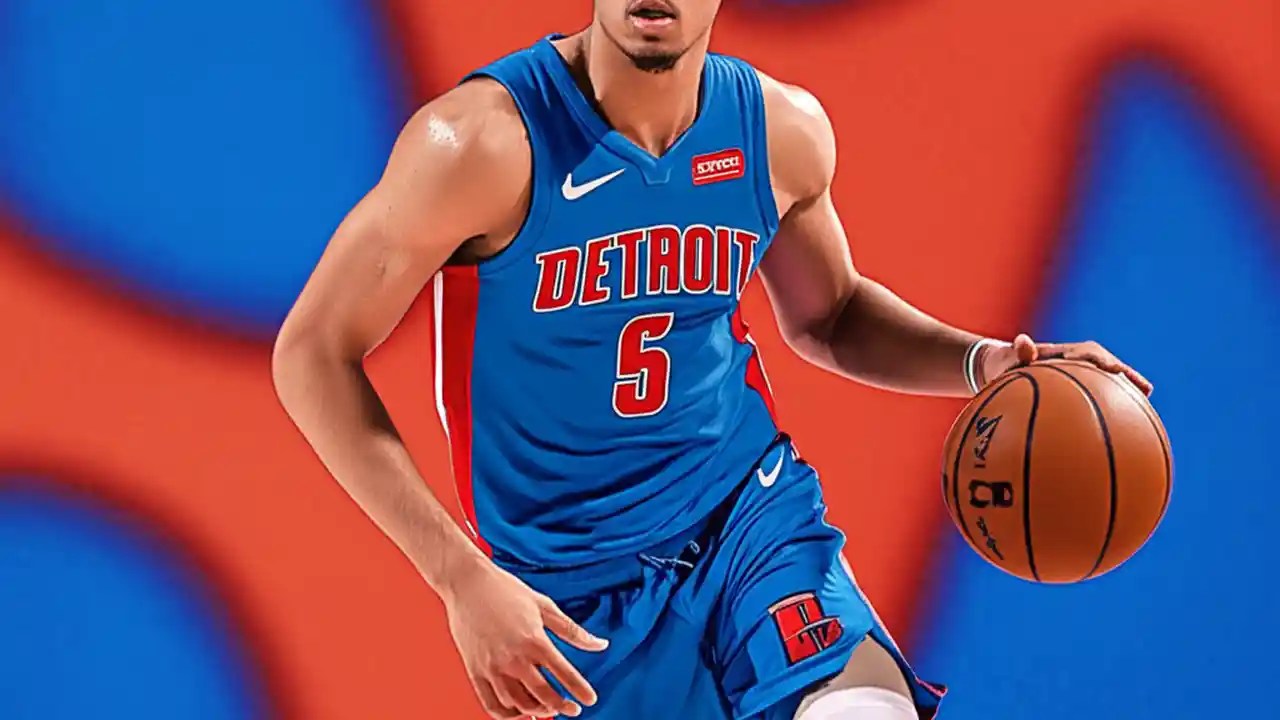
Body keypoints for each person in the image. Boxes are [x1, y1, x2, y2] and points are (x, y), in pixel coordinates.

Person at [272, 1, 1152, 717]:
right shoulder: (480, 144)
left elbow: (833, 314)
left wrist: (985, 363)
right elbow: (312, 352)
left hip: (748, 518)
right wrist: (460, 576)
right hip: (571, 591)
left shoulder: (778, 131)